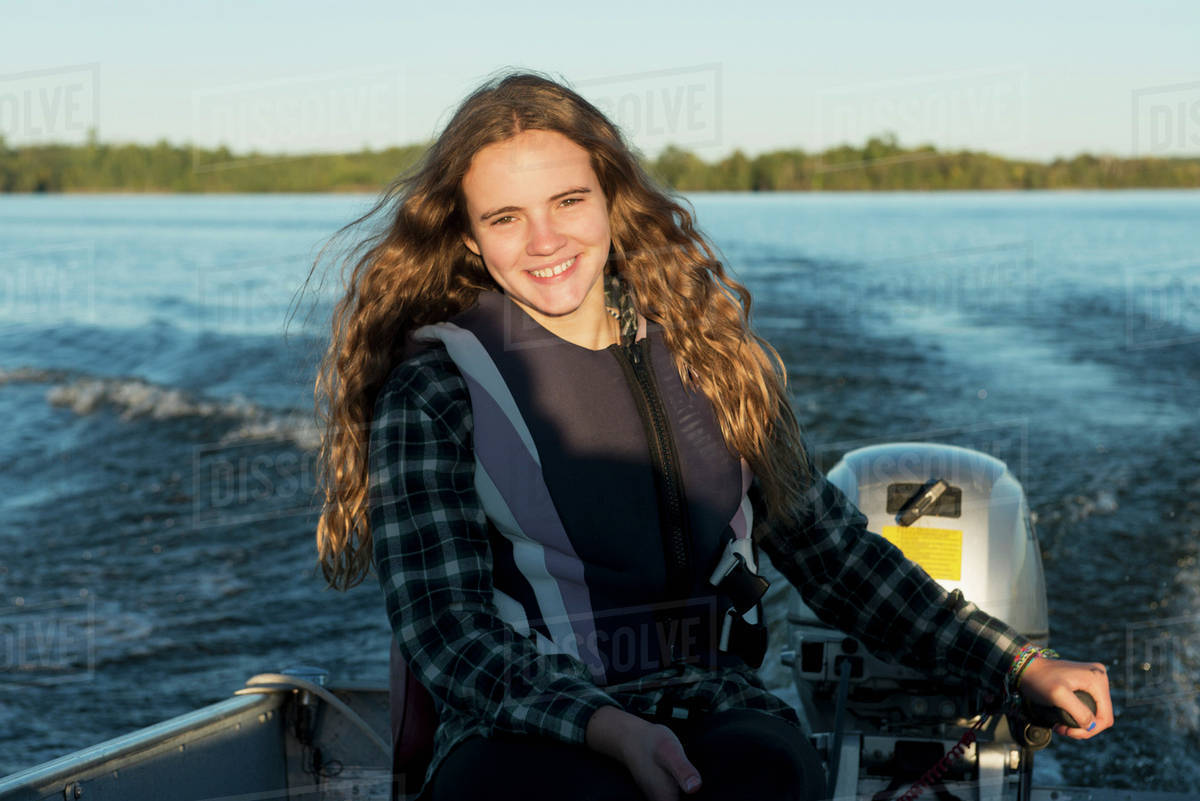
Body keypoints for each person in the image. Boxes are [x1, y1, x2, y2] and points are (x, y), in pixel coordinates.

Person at [312, 71, 1113, 801]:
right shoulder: (433, 390)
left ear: (610, 201)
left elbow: (831, 551)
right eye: (506, 218)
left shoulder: (711, 354)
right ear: (467, 236)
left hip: (714, 703)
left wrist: (1018, 664)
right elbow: (450, 637)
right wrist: (610, 727)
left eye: (568, 202)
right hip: (521, 727)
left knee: (762, 774)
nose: (545, 240)